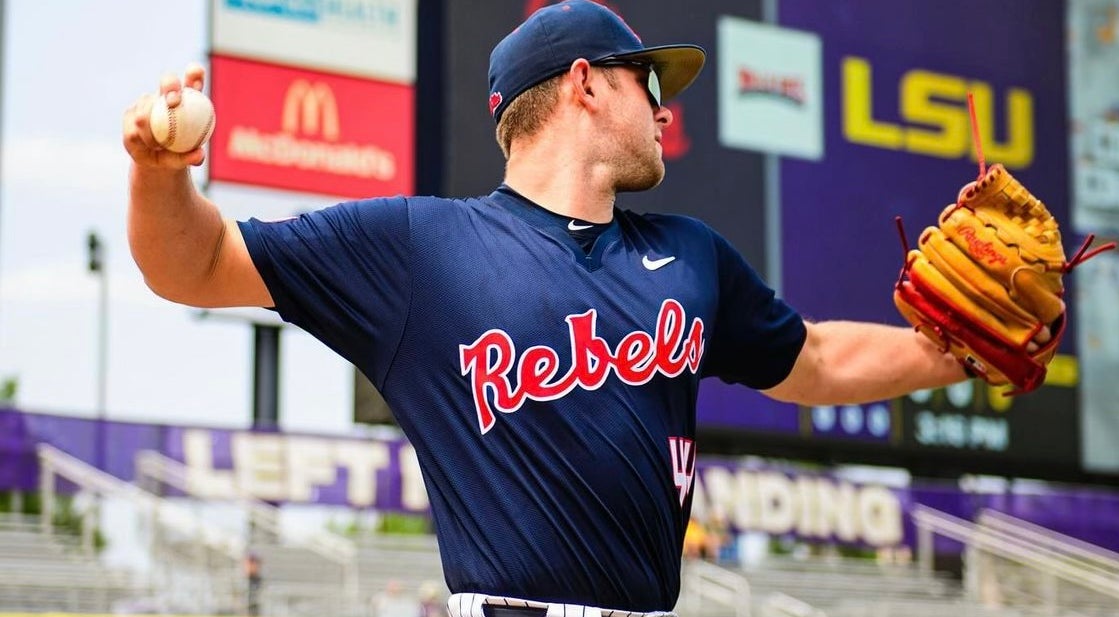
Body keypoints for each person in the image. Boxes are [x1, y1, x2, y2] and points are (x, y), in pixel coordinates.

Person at [122, 1, 1049, 615]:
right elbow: (195, 264)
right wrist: (158, 174)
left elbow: (810, 359)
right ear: (584, 84)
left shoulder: (689, 253)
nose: (663, 110)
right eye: (649, 84)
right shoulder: (419, 249)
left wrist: (952, 352)